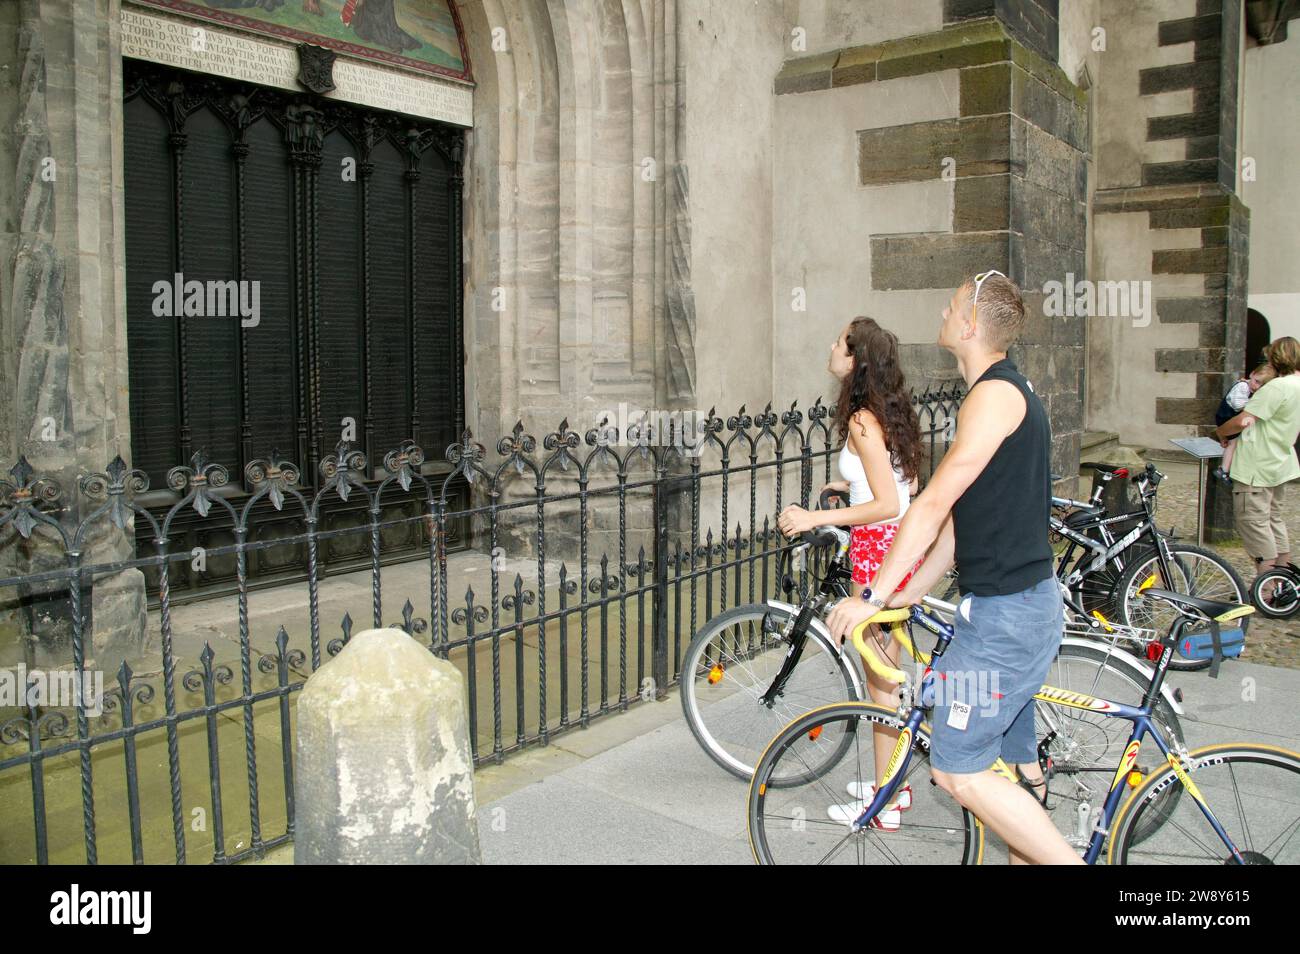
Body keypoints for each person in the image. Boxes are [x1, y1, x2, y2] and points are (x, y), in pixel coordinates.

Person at [827, 270, 1083, 864]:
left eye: (951, 306)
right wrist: (904, 596)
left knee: (956, 771)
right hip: (1010, 610)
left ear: (971, 325)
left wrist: (870, 596)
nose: (942, 313)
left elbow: (931, 504)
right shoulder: (998, 393)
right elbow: (957, 530)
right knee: (1017, 773)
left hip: (1005, 622)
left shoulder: (994, 396)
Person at [776, 317, 922, 831]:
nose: (830, 345)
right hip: (895, 547)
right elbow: (898, 485)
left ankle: (886, 801)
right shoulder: (882, 413)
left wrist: (816, 517)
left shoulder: (863, 419)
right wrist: (847, 483)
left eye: (839, 341)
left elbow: (885, 502)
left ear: (856, 359)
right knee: (884, 675)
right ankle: (894, 781)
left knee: (880, 684)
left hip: (879, 551)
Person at [1216, 337, 1300, 599]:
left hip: (1258, 464)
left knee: (1254, 523)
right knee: (1273, 520)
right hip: (1279, 460)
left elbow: (1243, 421)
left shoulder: (1276, 388)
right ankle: (1284, 582)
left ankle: (1266, 588)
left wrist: (1220, 431)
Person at [1212, 363, 1275, 484]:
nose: (1256, 387)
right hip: (1227, 416)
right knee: (1233, 444)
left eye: (1261, 385)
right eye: (1256, 381)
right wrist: (1254, 403)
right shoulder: (1242, 386)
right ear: (1252, 374)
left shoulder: (1247, 385)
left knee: (1236, 443)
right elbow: (1238, 405)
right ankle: (1223, 470)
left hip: (1231, 416)